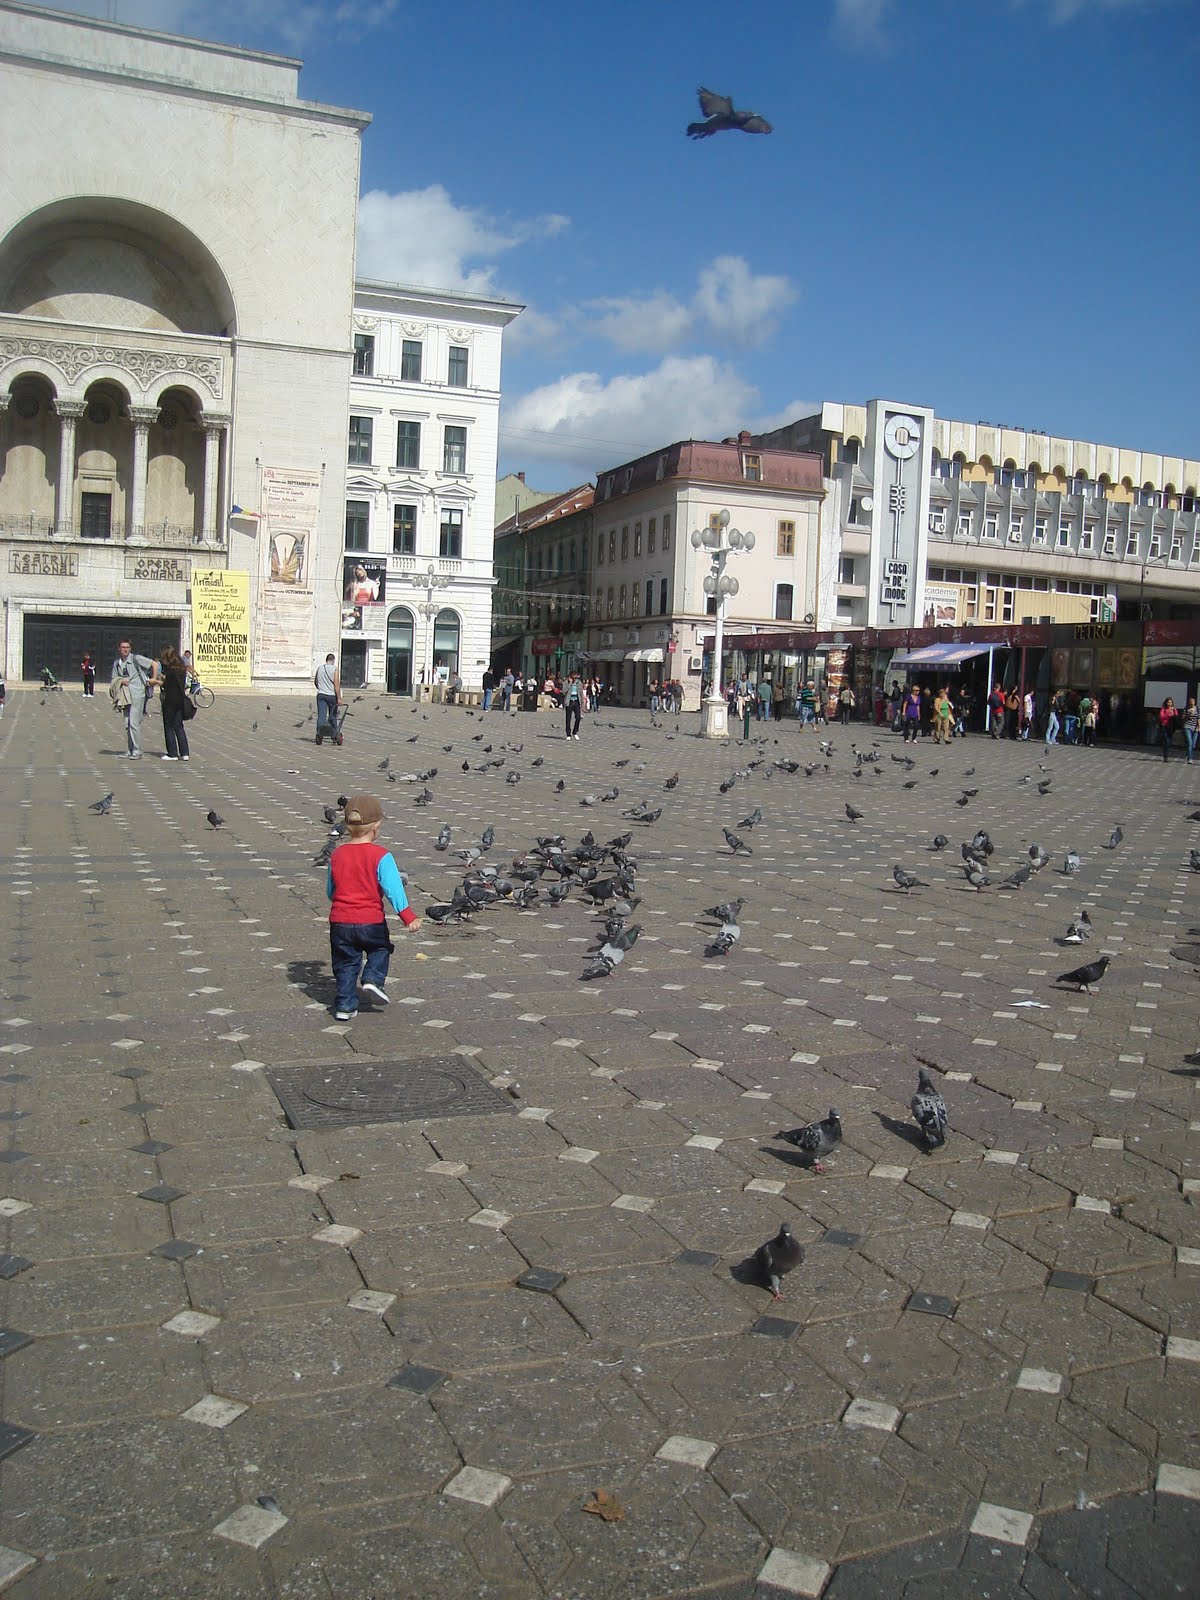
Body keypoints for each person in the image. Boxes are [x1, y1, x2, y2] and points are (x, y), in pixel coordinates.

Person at [326, 794, 420, 1021]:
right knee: (380, 949)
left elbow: (331, 890)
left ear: (347, 826)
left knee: (345, 963)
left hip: (340, 921)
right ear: (377, 826)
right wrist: (408, 917)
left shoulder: (337, 854)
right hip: (371, 921)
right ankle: (373, 979)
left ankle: (345, 1006)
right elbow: (393, 889)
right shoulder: (381, 855)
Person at [110, 639, 159, 760]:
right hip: (125, 696)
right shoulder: (117, 663)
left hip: (137, 694)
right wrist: (121, 680)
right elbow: (114, 679)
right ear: (119, 649)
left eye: (127, 647)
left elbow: (154, 664)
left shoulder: (136, 659)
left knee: (134, 723)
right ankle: (130, 749)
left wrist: (153, 679)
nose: (125, 649)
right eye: (123, 647)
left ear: (130, 648)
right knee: (127, 723)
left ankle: (137, 750)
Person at [158, 645, 191, 762]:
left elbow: (167, 685)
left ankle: (172, 753)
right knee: (179, 727)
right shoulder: (181, 668)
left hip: (170, 701)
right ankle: (185, 753)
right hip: (180, 700)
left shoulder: (170, 669)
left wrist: (160, 680)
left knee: (169, 727)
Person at [314, 652, 343, 745]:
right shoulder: (335, 669)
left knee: (321, 715)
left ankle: (320, 733)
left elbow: (316, 682)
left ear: (326, 660)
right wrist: (339, 698)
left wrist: (321, 688)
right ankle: (334, 734)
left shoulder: (320, 668)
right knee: (333, 716)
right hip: (331, 696)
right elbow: (336, 685)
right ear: (333, 660)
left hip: (321, 695)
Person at [1158, 697, 1180, 762]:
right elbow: (1162, 717)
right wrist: (1168, 713)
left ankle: (1166, 753)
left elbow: (1176, 717)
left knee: (1169, 742)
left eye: (1170, 702)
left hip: (1171, 727)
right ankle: (1166, 756)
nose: (1169, 704)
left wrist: (1174, 711)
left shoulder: (1174, 709)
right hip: (1164, 726)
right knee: (1166, 741)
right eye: (1168, 702)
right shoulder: (1163, 709)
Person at [563, 670, 583, 739]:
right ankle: (568, 734)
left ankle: (575, 732)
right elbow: (563, 691)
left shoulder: (579, 683)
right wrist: (570, 684)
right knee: (568, 718)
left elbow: (581, 693)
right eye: (573, 678)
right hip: (569, 702)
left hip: (576, 701)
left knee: (578, 717)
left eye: (576, 678)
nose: (574, 679)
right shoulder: (566, 682)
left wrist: (582, 703)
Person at [1182, 696, 1198, 765]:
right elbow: (1183, 719)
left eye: (1193, 701)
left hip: (1195, 728)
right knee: (1190, 743)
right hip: (1187, 726)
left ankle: (1187, 753)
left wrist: (1199, 727)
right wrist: (1188, 714)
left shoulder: (1197, 709)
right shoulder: (1186, 709)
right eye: (1190, 701)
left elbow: (1199, 718)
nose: (1192, 703)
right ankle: (1190, 758)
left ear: (1195, 702)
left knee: (1193, 745)